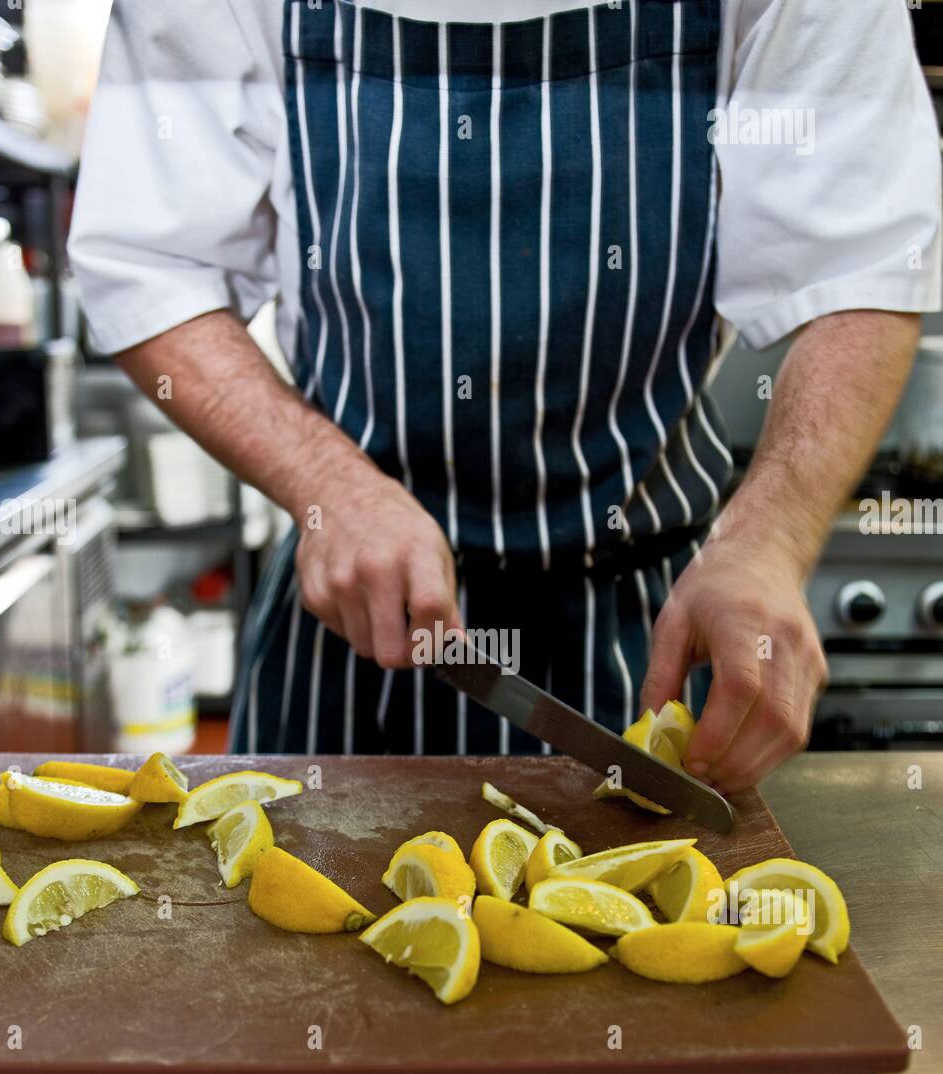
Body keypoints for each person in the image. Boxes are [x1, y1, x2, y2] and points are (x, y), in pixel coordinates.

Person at [70, 0, 941, 791]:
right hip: (351, 632)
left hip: (649, 637)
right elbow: (154, 267)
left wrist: (771, 541)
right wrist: (328, 488)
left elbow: (860, 271)